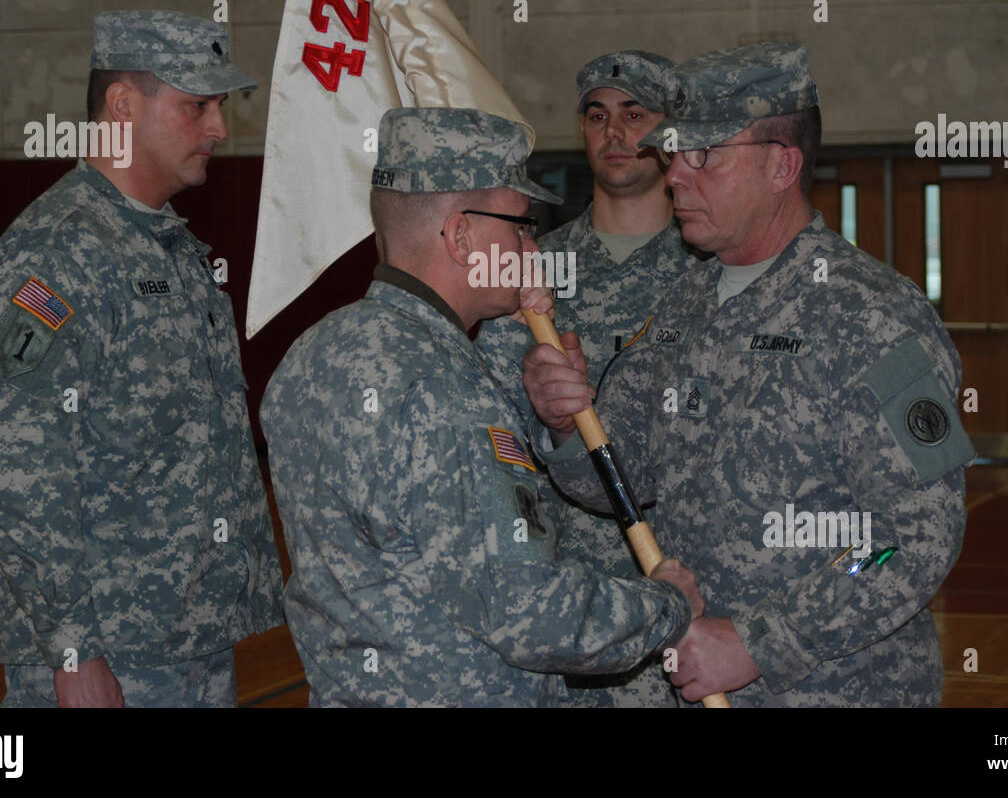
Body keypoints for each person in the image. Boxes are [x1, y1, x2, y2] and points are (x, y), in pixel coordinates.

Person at [523, 41, 971, 706]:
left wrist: (762, 640)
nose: (676, 175)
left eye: (705, 156)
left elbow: (909, 538)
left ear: (782, 166)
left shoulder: (873, 316)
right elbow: (627, 475)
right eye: (675, 155)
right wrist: (564, 427)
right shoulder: (684, 305)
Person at [260, 106, 704, 707]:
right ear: (461, 234)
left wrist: (524, 323)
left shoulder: (309, 356)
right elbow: (529, 612)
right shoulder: (442, 388)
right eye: (521, 225)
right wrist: (666, 606)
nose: (532, 245)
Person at [0, 10, 284, 708]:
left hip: (182, 641)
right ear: (121, 105)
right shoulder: (58, 254)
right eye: (197, 106)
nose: (219, 130)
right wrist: (73, 647)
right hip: (104, 651)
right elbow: (14, 465)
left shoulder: (164, 246)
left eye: (221, 107)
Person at [476, 50, 701, 707]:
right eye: (597, 115)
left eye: (635, 114)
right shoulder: (530, 272)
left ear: (669, 134)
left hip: (684, 583)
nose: (614, 132)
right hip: (567, 599)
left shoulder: (707, 272)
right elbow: (493, 429)